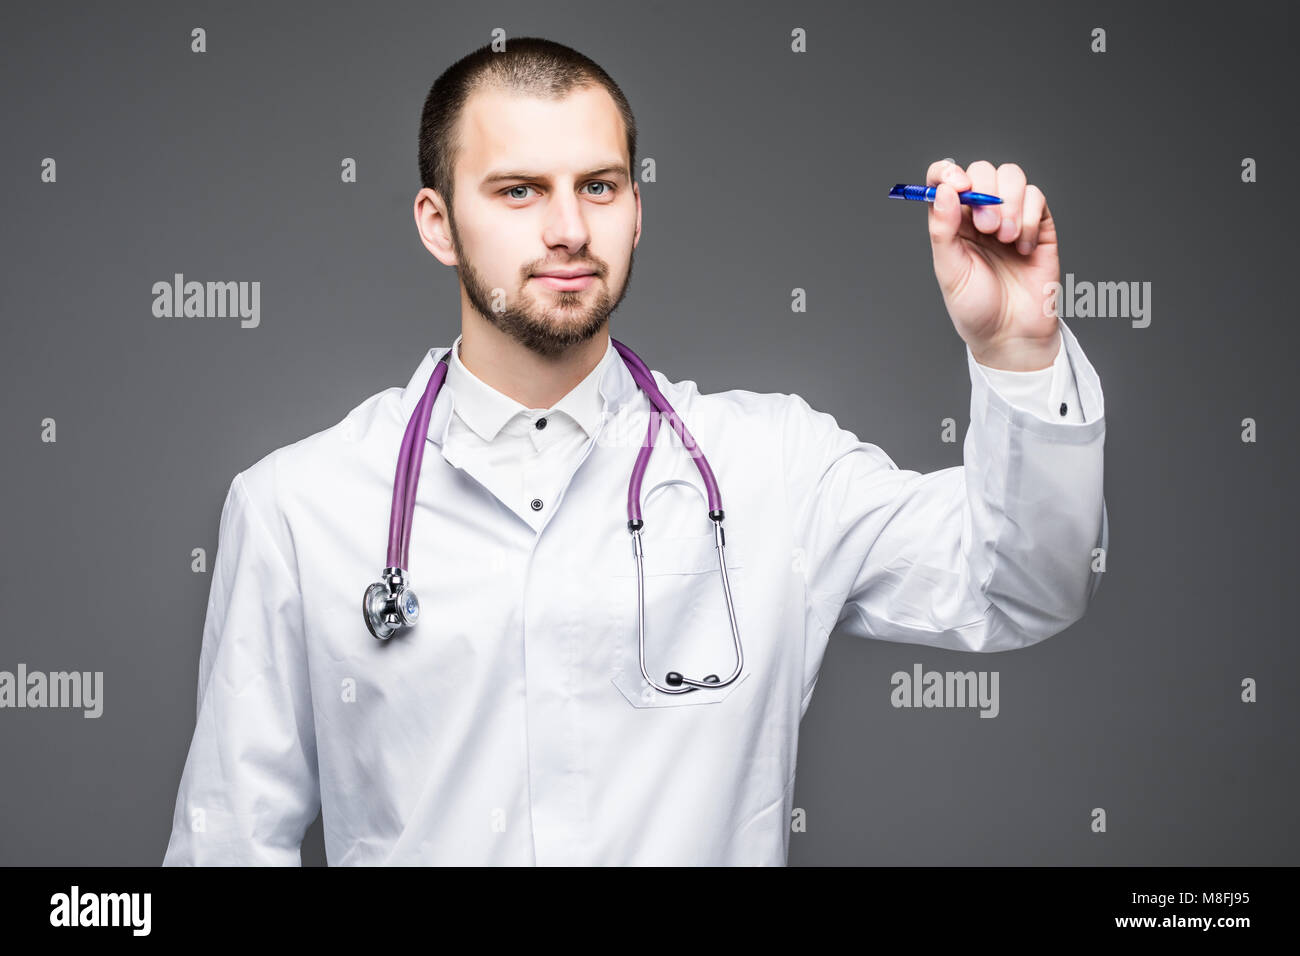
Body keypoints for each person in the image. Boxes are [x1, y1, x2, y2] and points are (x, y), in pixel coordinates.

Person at [162, 36, 1106, 866]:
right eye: (519, 189)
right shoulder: (298, 507)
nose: (569, 228)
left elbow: (1023, 583)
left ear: (637, 209)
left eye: (599, 187)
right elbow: (228, 845)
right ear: (437, 223)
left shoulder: (776, 467)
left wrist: (1018, 352)